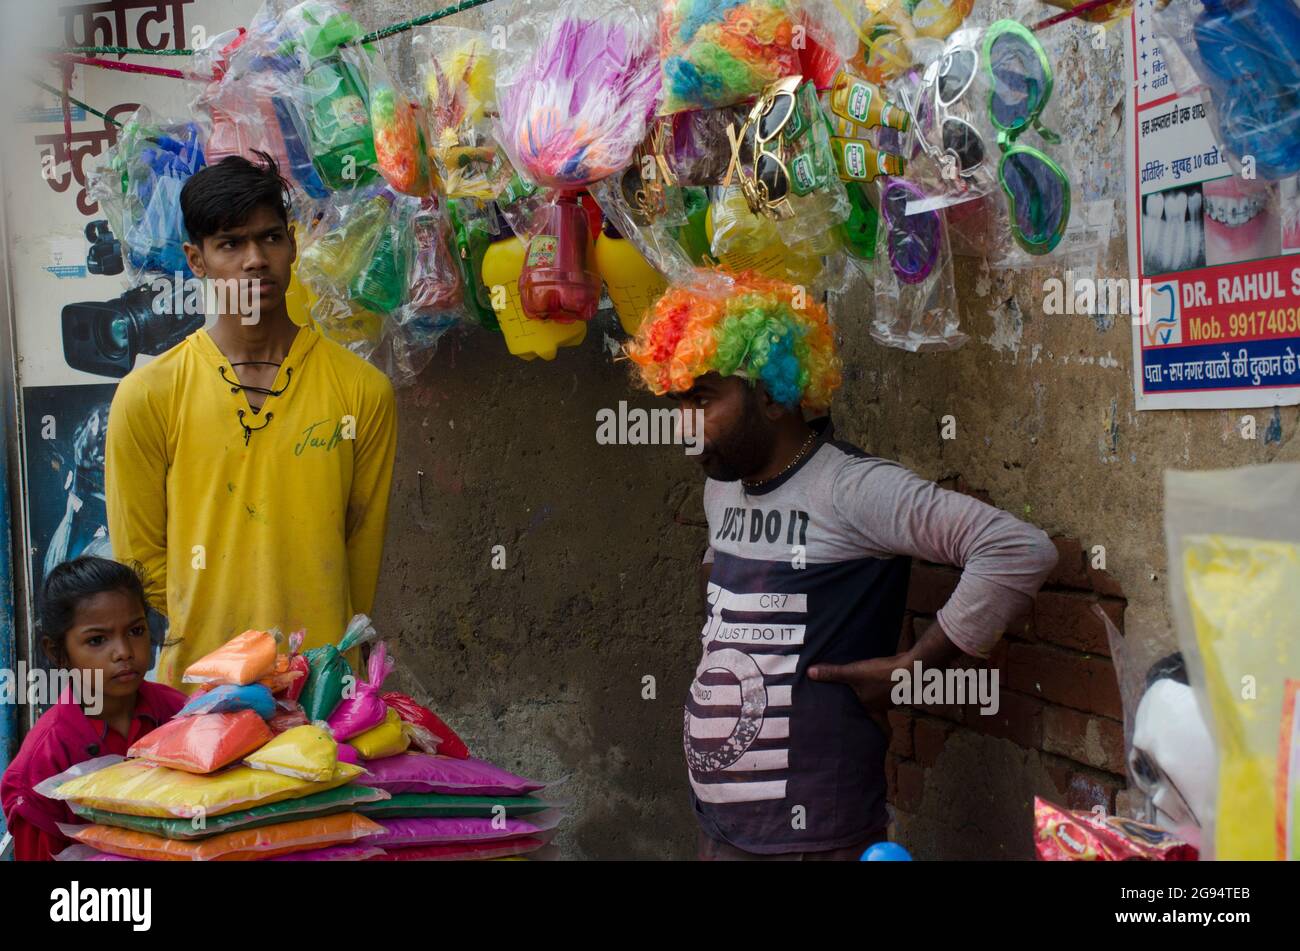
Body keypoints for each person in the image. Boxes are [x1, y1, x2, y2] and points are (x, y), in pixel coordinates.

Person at [626, 272, 1059, 860]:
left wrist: (913, 669)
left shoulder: (850, 489)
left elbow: (1015, 550)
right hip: (722, 826)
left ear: (773, 395)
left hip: (816, 833)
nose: (686, 429)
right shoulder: (722, 489)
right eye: (678, 404)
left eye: (702, 401)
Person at [105, 152, 397, 688]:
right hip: (199, 693)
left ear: (291, 244)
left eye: (269, 238)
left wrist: (322, 659)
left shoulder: (362, 391)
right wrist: (227, 655)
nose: (255, 259)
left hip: (322, 689)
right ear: (196, 260)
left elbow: (361, 548)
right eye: (230, 243)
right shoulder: (147, 396)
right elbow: (141, 560)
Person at [1, 558, 187, 860]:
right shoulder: (41, 765)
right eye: (97, 639)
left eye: (136, 631)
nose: (124, 652)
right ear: (57, 652)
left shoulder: (179, 713)